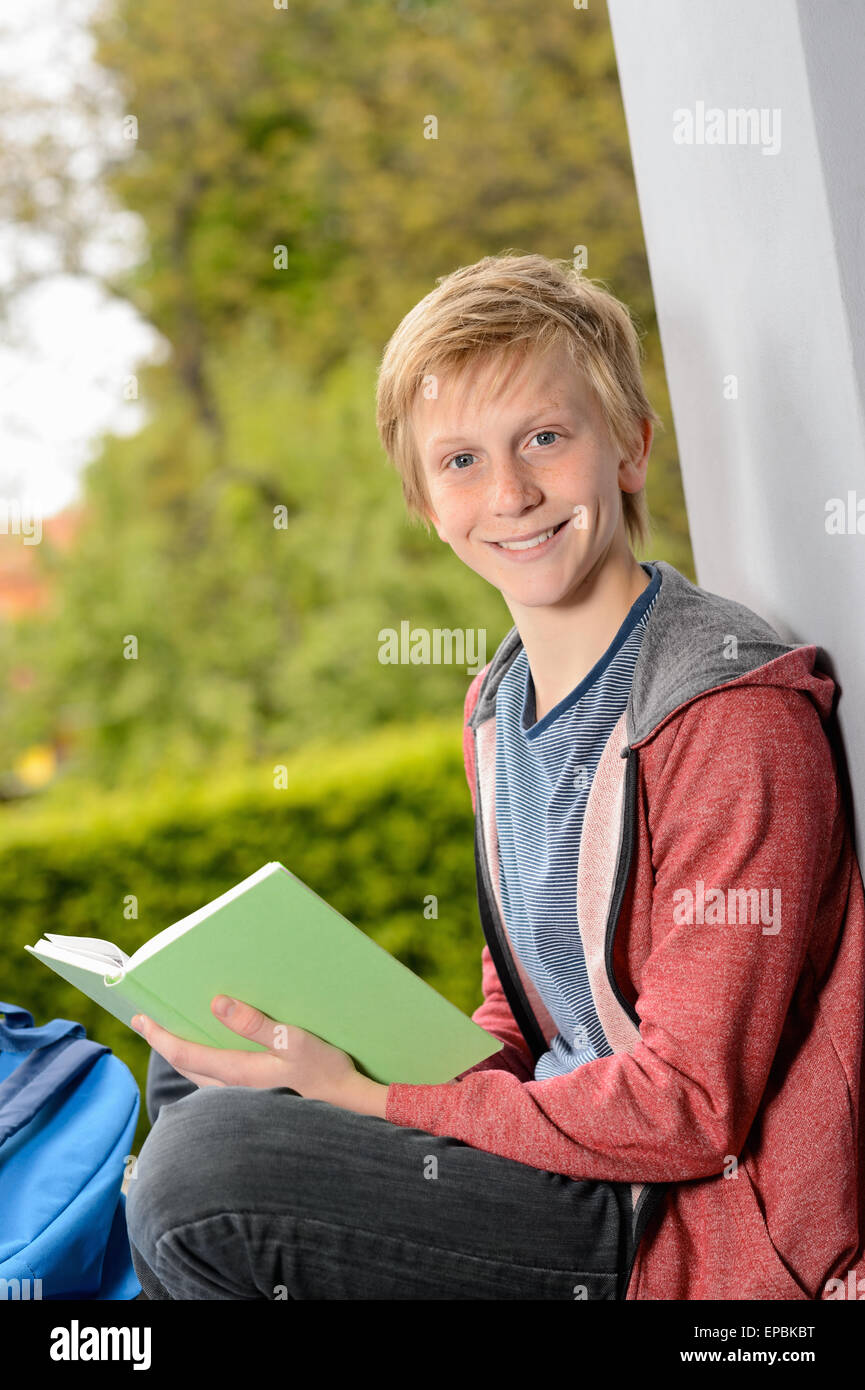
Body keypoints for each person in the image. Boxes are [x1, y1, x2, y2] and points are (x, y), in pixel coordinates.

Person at [126, 251, 865, 1300]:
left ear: (630, 450)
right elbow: (525, 1013)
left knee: (201, 1178)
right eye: (462, 461)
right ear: (426, 504)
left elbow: (693, 1108)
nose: (510, 492)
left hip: (667, 1215)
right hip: (560, 1150)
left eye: (545, 440)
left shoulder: (725, 713)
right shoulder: (496, 706)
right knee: (203, 1058)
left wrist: (381, 1104)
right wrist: (365, 1063)